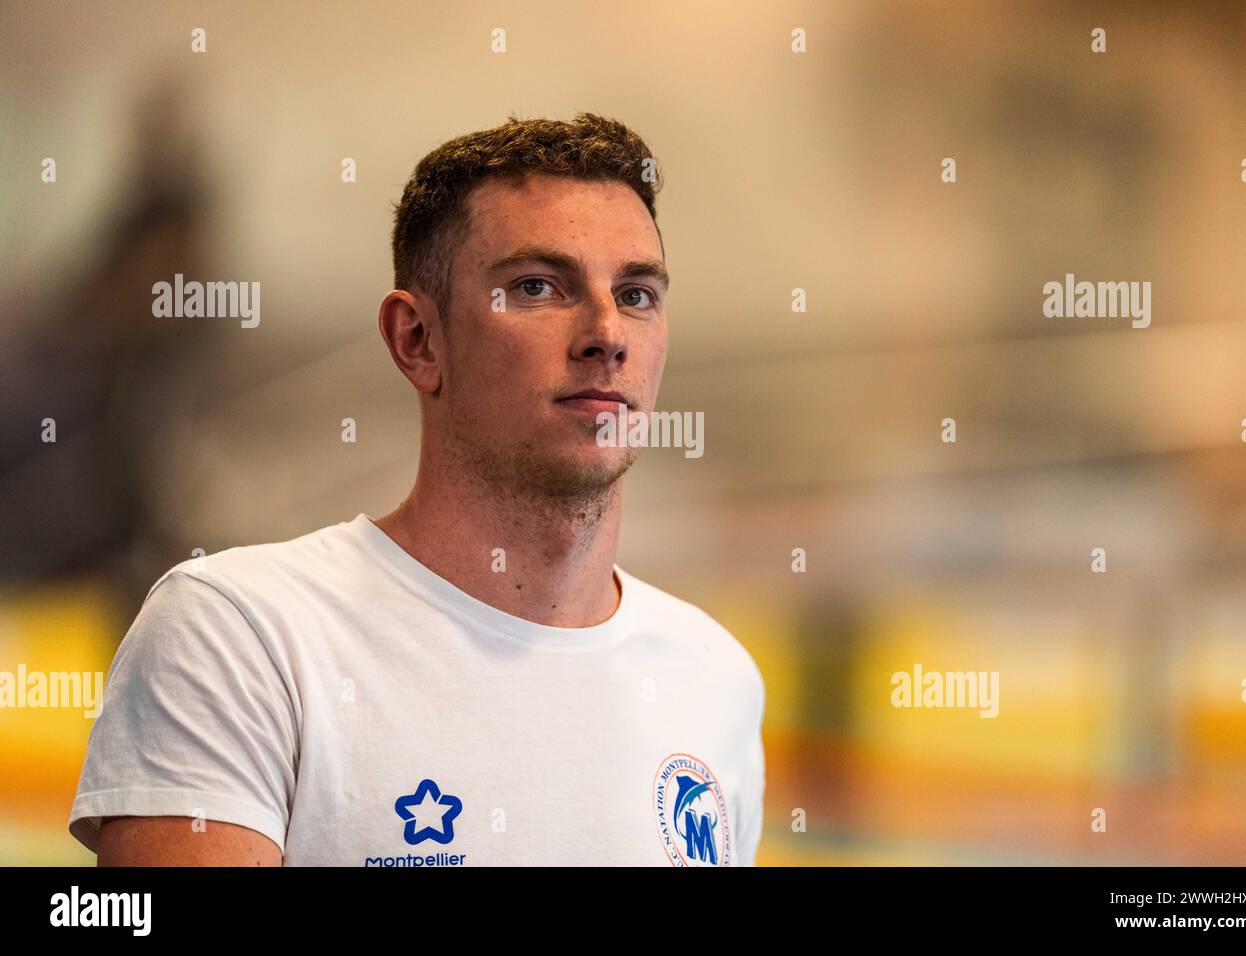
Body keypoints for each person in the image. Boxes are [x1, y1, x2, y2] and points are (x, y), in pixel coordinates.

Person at [68, 112, 766, 866]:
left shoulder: (712, 678)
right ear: (418, 341)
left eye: (636, 294)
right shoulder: (242, 637)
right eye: (538, 287)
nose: (608, 332)